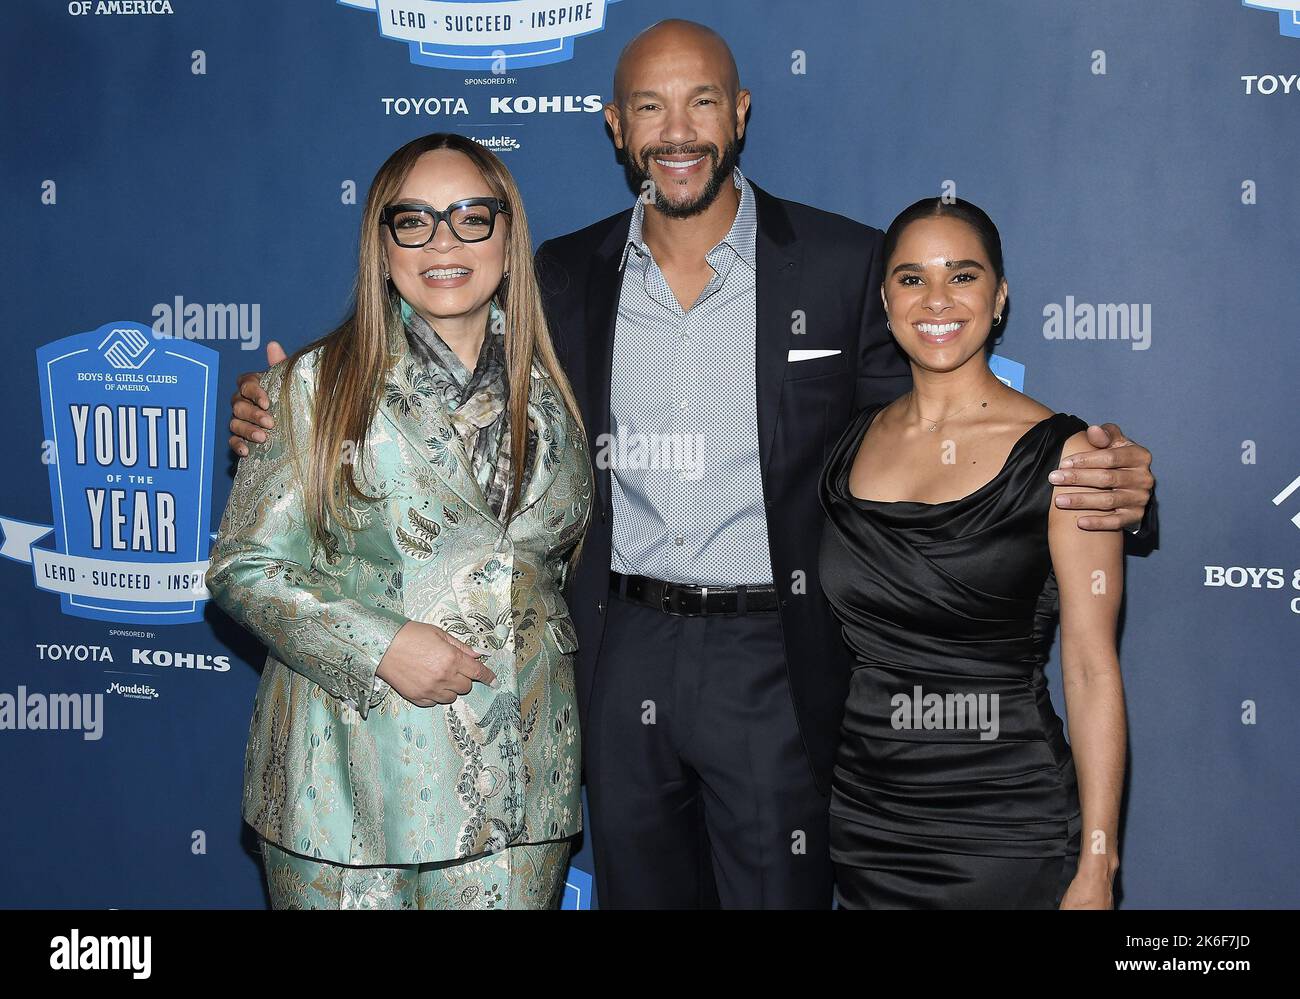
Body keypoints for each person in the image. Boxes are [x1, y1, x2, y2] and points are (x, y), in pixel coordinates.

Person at [226, 21, 1155, 909]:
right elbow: (417, 368)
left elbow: (932, 415)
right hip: (619, 646)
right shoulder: (559, 276)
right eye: (650, 108)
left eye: (701, 103)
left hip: (773, 655)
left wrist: (1103, 476)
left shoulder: (839, 264)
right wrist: (293, 406)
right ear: (615, 126)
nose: (677, 132)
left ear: (740, 113)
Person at [206, 132, 592, 909]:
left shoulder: (562, 389)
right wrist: (383, 644)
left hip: (521, 794)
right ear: (381, 247)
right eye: (412, 221)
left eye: (470, 217)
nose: (442, 241)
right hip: (346, 790)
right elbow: (242, 567)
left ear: (508, 240)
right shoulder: (311, 387)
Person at [818, 197, 1125, 909]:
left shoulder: (1069, 457)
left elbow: (1089, 668)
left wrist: (1098, 865)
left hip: (1007, 825)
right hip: (866, 823)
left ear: (1000, 297)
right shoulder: (846, 445)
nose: (936, 300)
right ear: (886, 300)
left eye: (962, 275)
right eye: (910, 278)